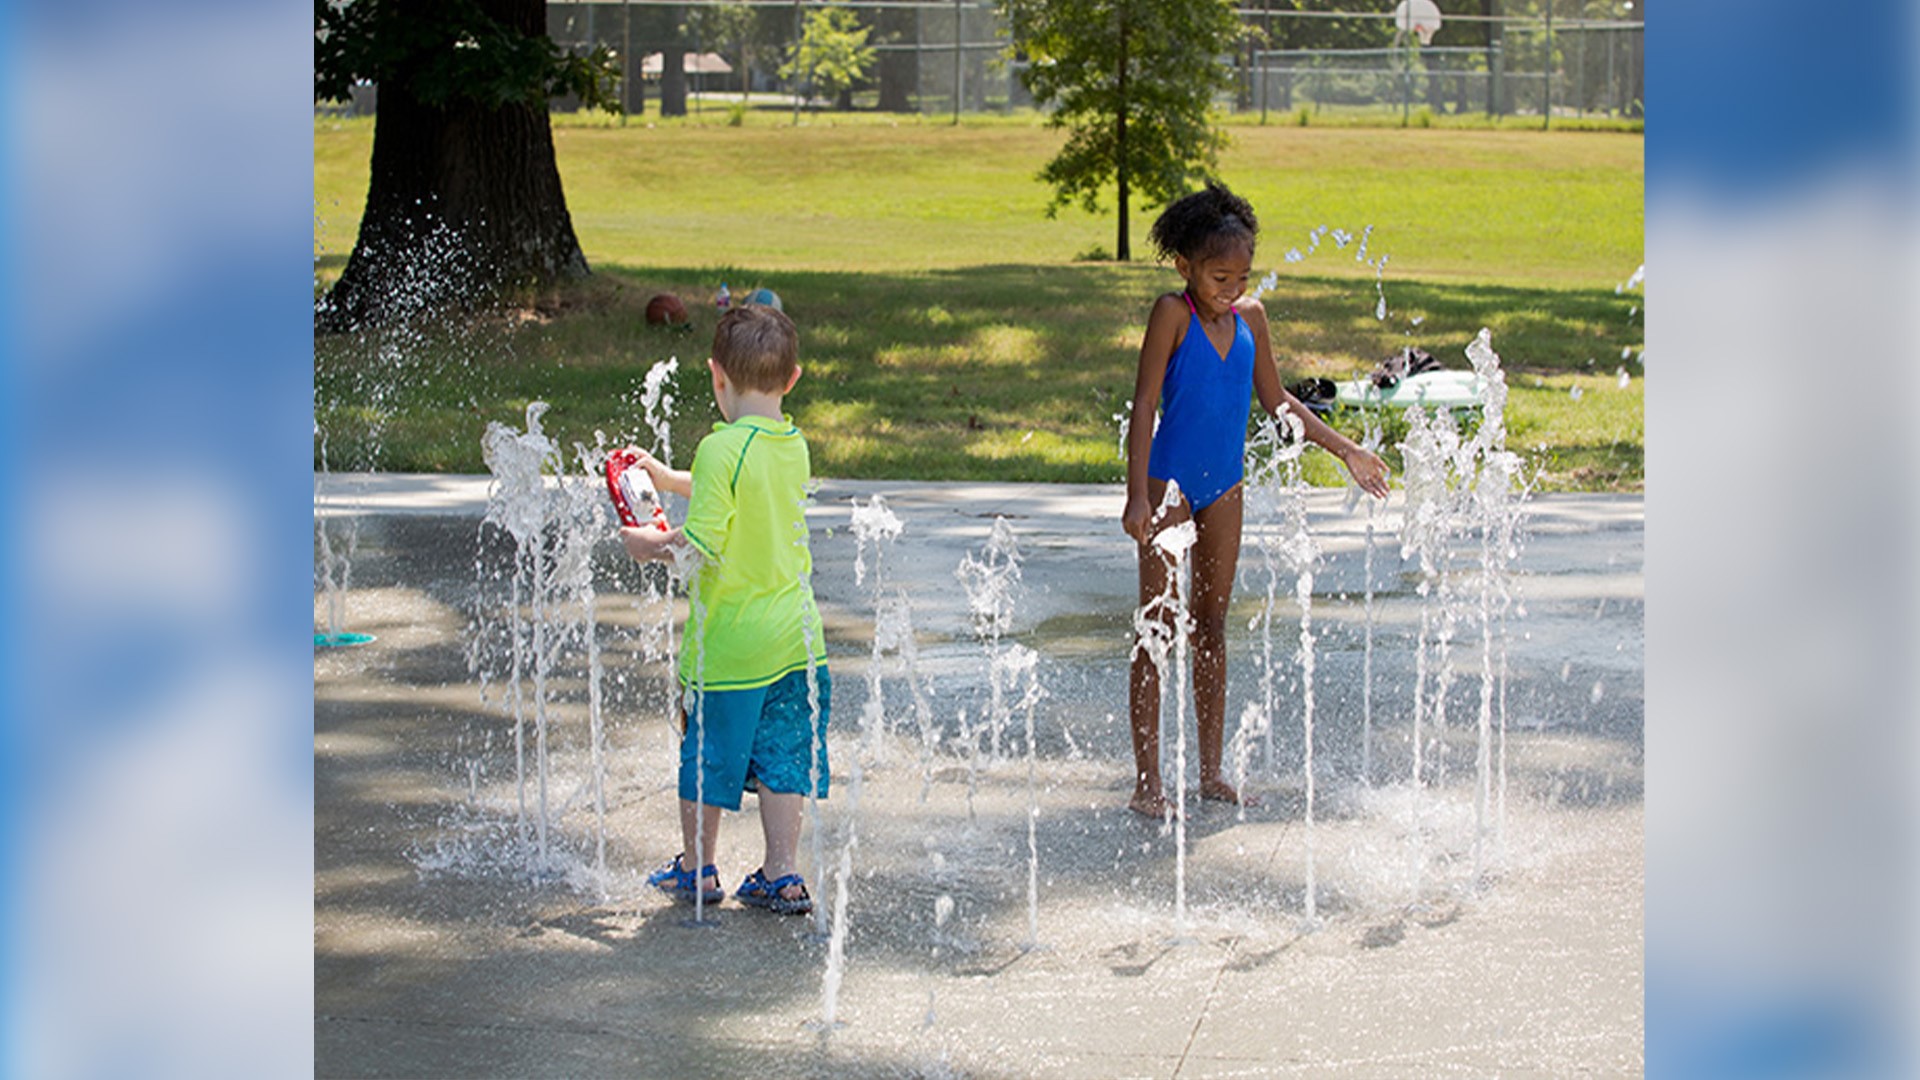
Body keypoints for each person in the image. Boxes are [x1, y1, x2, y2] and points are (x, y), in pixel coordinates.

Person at [1122, 182, 1391, 819]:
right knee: (1157, 628)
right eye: (1220, 276)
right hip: (1170, 489)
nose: (1232, 288)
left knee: (1211, 627)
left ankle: (1210, 770)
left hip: (1225, 488)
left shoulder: (1253, 319)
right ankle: (1146, 780)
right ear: (1185, 266)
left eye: (1242, 276)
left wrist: (1347, 449)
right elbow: (1142, 408)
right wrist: (1137, 496)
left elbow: (1280, 403)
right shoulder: (1172, 314)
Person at [618, 303, 829, 915]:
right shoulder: (794, 444)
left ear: (716, 376)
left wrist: (648, 545)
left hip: (732, 647)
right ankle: (782, 874)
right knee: (783, 757)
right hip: (797, 642)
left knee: (707, 750)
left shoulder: (720, 449)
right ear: (792, 380)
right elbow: (739, 483)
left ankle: (699, 868)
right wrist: (665, 477)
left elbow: (701, 544)